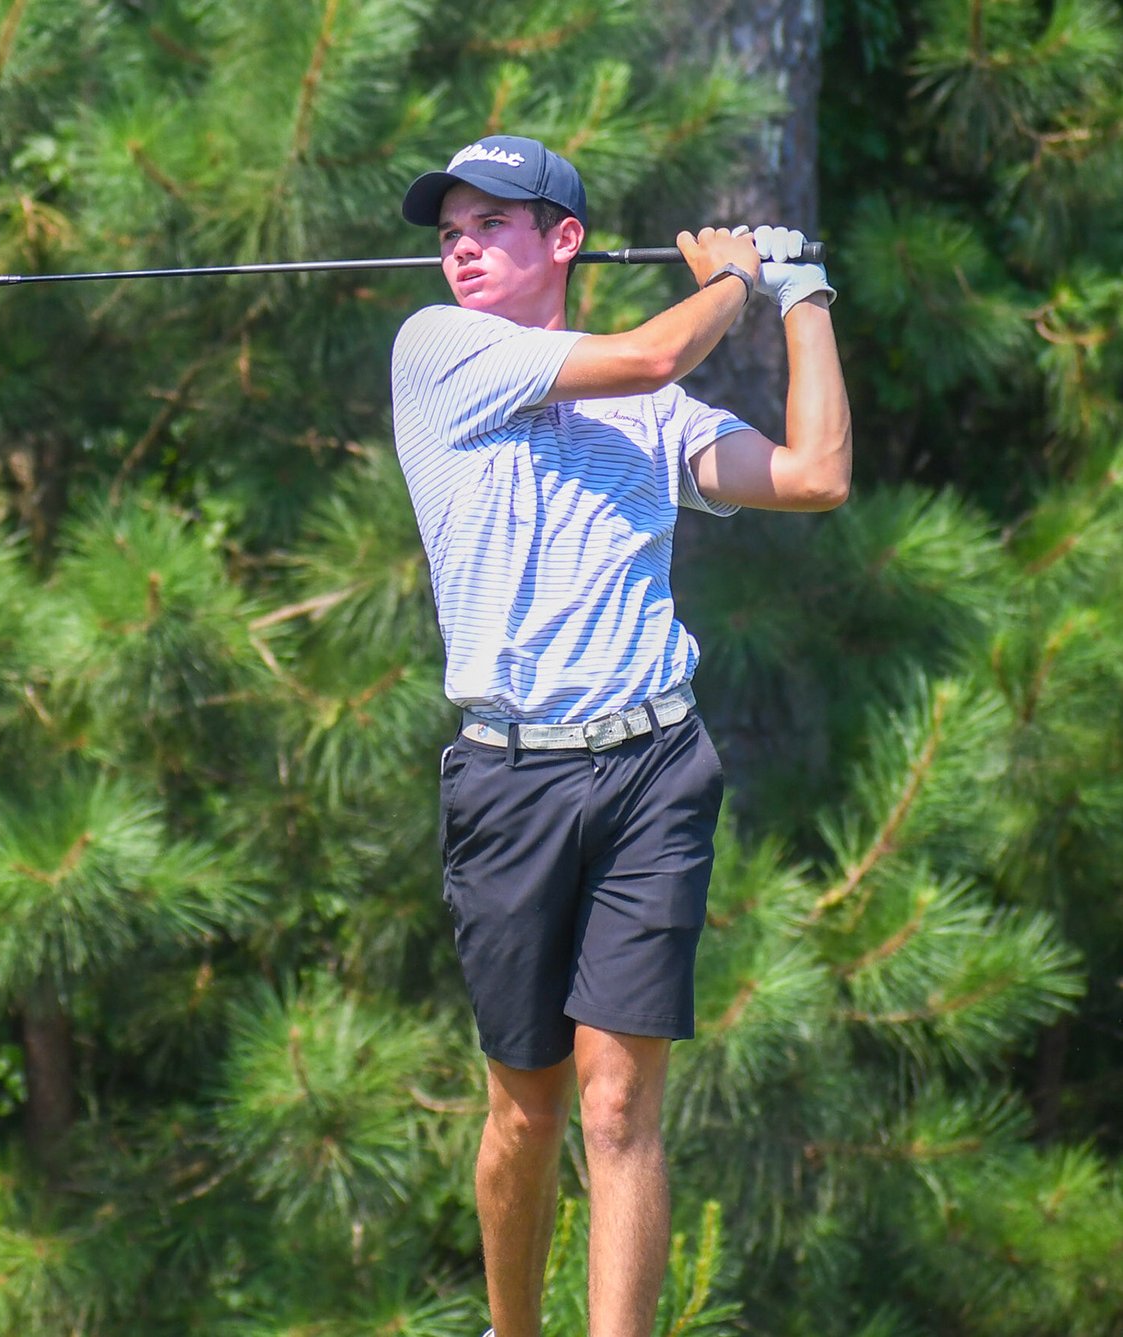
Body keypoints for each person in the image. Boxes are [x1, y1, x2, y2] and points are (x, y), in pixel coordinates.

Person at [389, 136, 851, 1337]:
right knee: (526, 1112)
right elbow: (651, 344)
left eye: (491, 223)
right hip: (510, 777)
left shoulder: (654, 410)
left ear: (564, 242)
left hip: (653, 767)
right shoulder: (438, 351)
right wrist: (734, 279)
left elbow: (812, 475)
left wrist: (802, 299)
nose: (461, 245)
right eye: (450, 228)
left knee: (617, 1103)